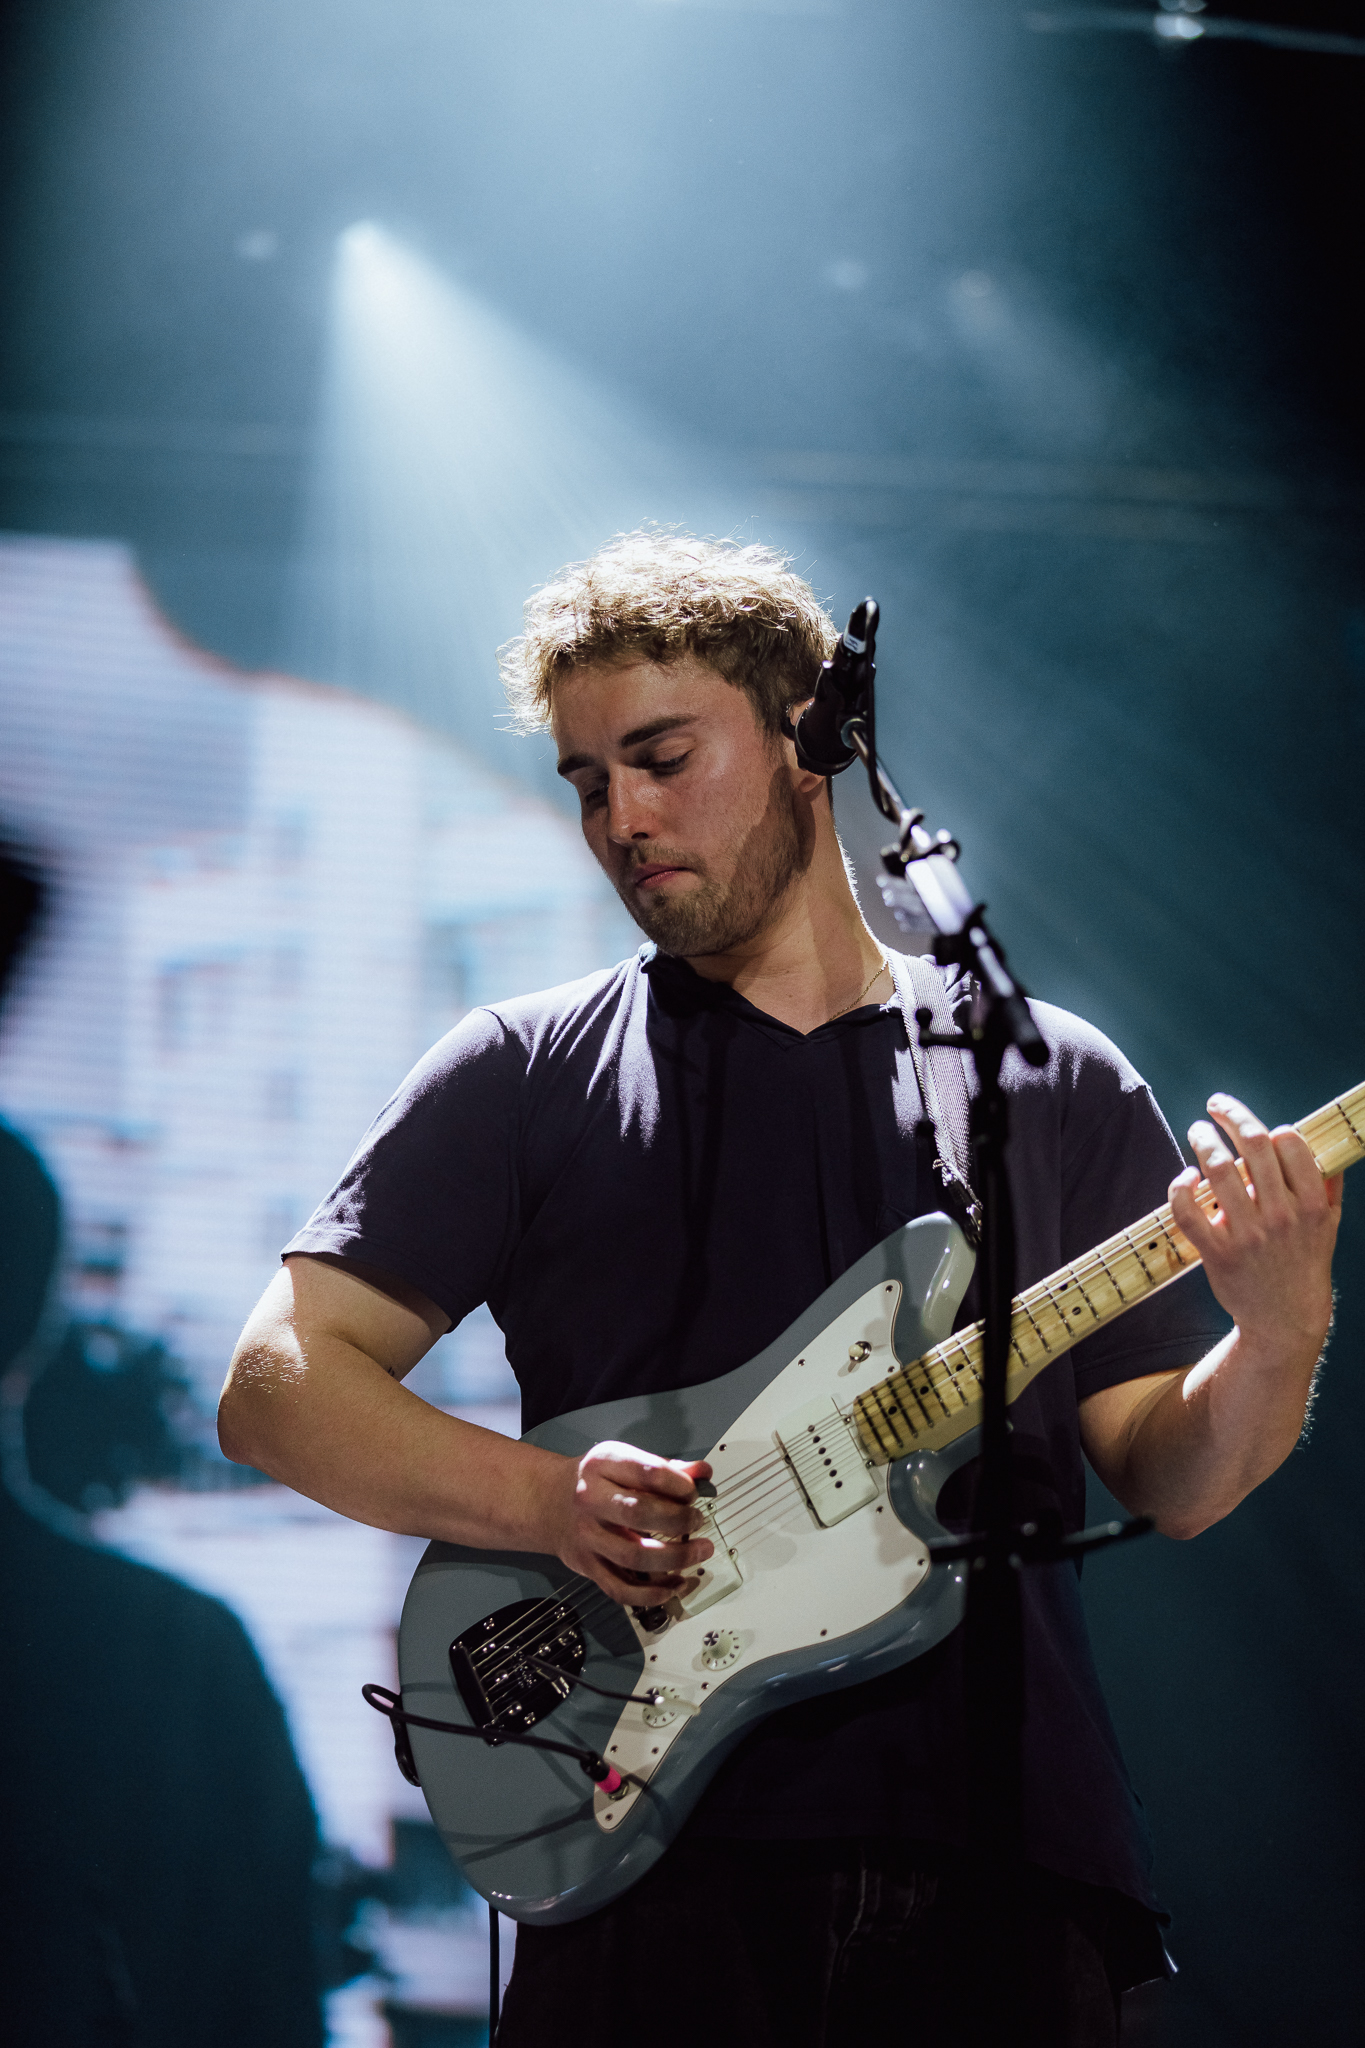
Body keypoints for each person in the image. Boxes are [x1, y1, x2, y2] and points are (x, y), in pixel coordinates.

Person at [219, 534, 1341, 2048]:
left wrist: (1279, 1327)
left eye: (662, 758)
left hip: (1007, 1865)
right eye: (584, 781)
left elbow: (1171, 1474)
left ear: (814, 738)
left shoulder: (1043, 1075)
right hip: (645, 1851)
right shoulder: (523, 1071)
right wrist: (542, 1504)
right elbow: (279, 1383)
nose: (620, 817)